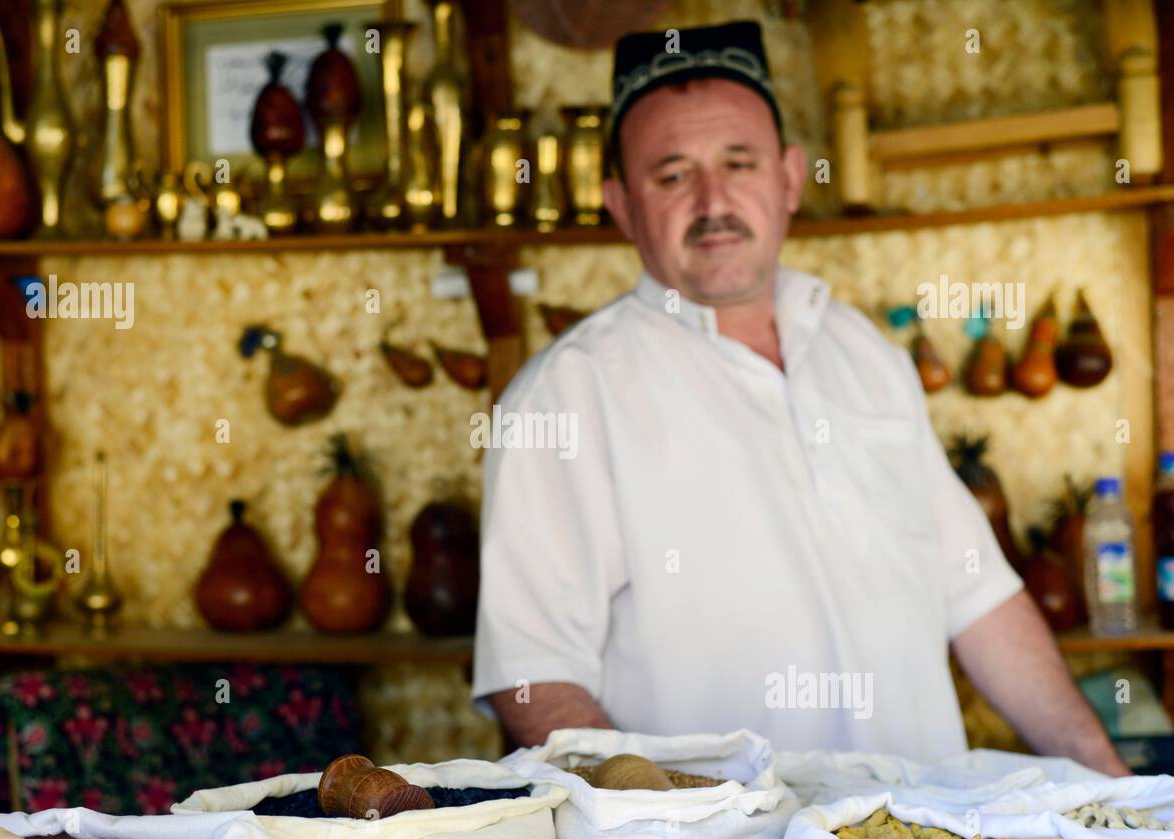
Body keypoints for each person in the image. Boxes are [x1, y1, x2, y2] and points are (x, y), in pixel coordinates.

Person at [470, 20, 1127, 774]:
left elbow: (977, 594)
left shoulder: (866, 354)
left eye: (738, 162)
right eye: (672, 174)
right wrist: (673, 828)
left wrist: (1107, 777)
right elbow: (534, 675)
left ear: (787, 177)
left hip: (915, 838)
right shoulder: (561, 399)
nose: (713, 200)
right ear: (620, 203)